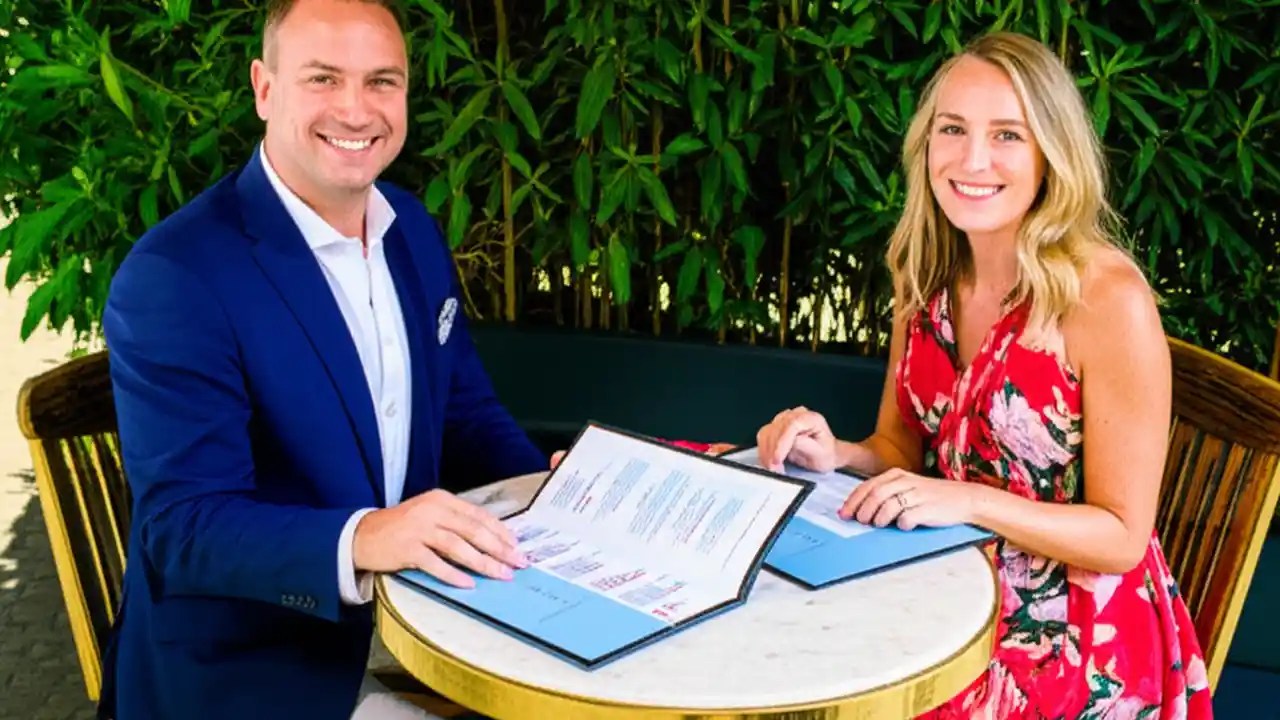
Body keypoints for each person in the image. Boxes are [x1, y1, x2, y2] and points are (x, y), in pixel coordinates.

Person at [97, 1, 546, 718]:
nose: (356, 109)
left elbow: (463, 413)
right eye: (323, 78)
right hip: (256, 671)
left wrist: (548, 493)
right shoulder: (176, 277)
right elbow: (182, 530)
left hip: (414, 623)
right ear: (264, 88)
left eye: (381, 82)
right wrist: (367, 535)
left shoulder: (410, 231)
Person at [752, 32, 1213, 718]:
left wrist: (965, 501)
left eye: (1007, 136)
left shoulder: (1106, 299)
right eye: (953, 130)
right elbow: (898, 451)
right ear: (926, 144)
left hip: (1081, 637)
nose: (972, 159)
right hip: (940, 586)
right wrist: (838, 454)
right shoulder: (926, 273)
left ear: (1051, 154)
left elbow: (1121, 536)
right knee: (779, 656)